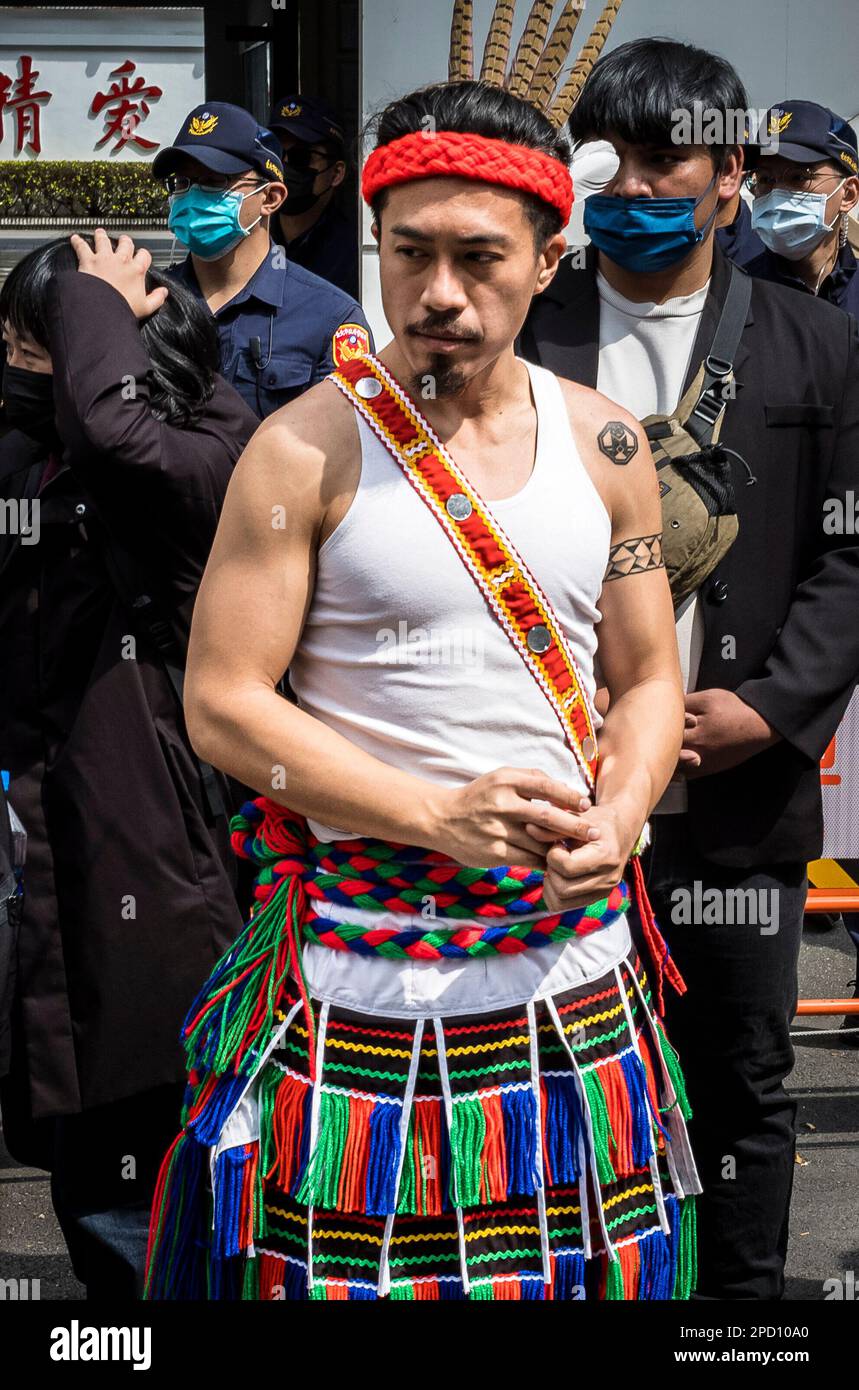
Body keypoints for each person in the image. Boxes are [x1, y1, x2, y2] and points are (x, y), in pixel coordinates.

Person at [144, 5, 702, 1305]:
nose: (439, 291)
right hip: (364, 976)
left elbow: (645, 677)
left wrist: (619, 812)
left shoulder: (607, 445)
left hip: (575, 967)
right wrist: (428, 812)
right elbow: (222, 703)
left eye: (479, 257)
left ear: (551, 257)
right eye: (408, 254)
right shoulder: (304, 447)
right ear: (372, 246)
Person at [520, 38, 859, 1301]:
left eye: (667, 162)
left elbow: (849, 554)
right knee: (555, 1086)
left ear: (729, 177)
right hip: (556, 785)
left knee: (738, 1083)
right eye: (609, 162)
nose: (635, 190)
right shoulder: (527, 326)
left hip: (733, 799)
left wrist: (770, 708)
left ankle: (738, 1317)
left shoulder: (812, 342)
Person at [0, 230, 258, 1299]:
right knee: (76, 1111)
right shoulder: (33, 458)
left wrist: (84, 298)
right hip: (48, 845)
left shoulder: (216, 451)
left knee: (159, 1104)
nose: (14, 362)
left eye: (33, 340)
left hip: (164, 846)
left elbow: (115, 436)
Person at [154, 102, 372, 419]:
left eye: (215, 182)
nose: (193, 197)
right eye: (182, 184)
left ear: (270, 198)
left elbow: (346, 446)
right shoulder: (151, 301)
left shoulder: (330, 318)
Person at [743, 101, 859, 315]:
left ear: (848, 194)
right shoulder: (737, 296)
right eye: (765, 179)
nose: (776, 194)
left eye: (799, 177)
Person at [268, 94, 361, 298]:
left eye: (300, 157)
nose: (283, 167)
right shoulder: (251, 236)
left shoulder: (354, 256)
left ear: (336, 174)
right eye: (274, 154)